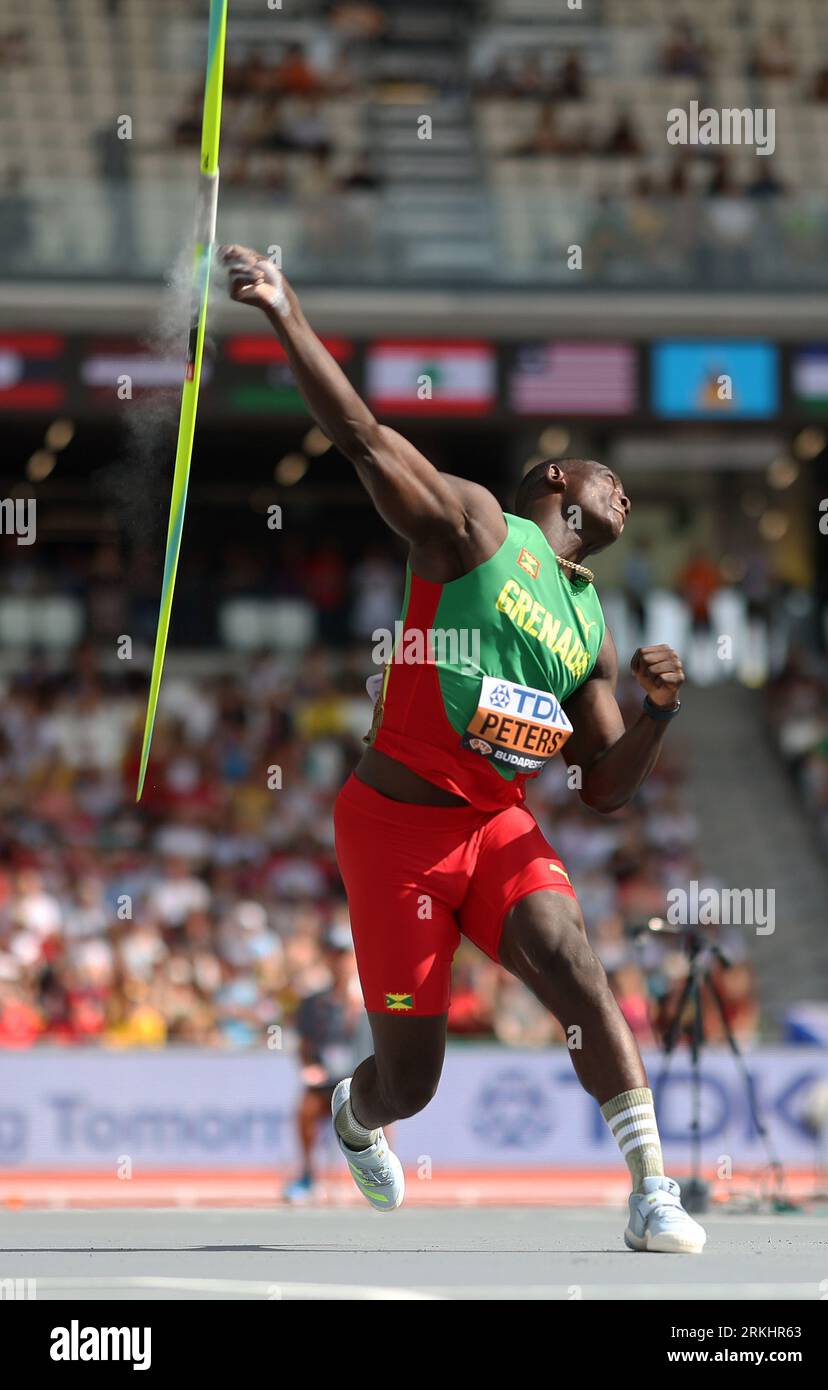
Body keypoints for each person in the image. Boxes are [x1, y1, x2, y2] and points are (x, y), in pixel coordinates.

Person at [220, 243, 707, 1254]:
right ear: (563, 480)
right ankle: (358, 1120)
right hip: (395, 829)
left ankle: (653, 1190)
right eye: (615, 484)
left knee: (576, 963)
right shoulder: (479, 528)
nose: (628, 502)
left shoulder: (590, 621)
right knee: (413, 1078)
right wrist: (284, 311)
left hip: (495, 823)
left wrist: (657, 710)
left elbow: (604, 787)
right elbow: (361, 437)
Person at [285, 923, 363, 1203]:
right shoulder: (312, 1002)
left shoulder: (370, 1000)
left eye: (344, 953)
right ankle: (308, 1174)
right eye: (334, 953)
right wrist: (309, 1068)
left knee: (383, 1113)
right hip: (327, 1081)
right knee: (305, 1109)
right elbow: (304, 1047)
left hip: (361, 1081)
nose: (339, 960)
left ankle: (375, 1174)